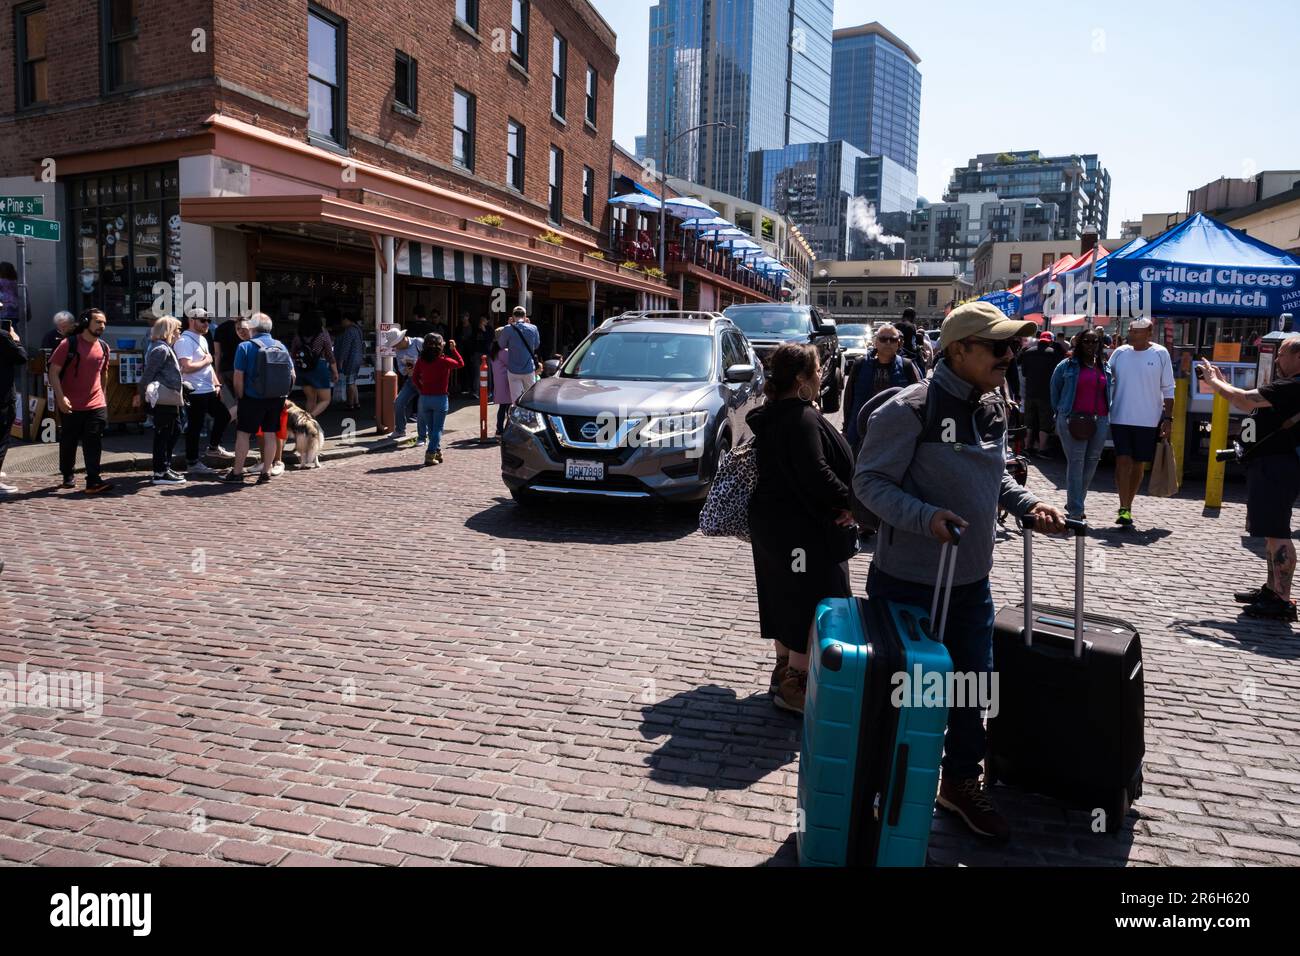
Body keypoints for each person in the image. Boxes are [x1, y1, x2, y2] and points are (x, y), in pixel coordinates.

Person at [855, 301, 1066, 841]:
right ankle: (884, 792)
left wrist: (1025, 504)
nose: (1009, 355)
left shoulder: (993, 406)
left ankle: (960, 782)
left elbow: (991, 479)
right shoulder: (907, 410)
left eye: (1012, 346)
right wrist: (926, 519)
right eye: (998, 346)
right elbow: (870, 484)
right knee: (905, 692)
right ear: (959, 350)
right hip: (907, 582)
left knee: (975, 686)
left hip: (972, 581)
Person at [747, 343, 857, 715]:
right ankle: (796, 682)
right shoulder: (800, 417)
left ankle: (783, 672)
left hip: (774, 524)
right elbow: (817, 475)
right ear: (801, 378)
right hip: (802, 528)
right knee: (811, 599)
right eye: (817, 368)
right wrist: (854, 504)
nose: (822, 373)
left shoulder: (775, 413)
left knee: (783, 594)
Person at [1199, 340, 1300, 622]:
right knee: (1271, 531)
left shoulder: (1292, 386)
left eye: (1282, 354)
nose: (1278, 360)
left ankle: (1281, 599)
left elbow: (1244, 400)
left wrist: (1214, 383)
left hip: (1277, 465)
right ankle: (1272, 591)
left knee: (1278, 533)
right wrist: (1221, 381)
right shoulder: (1289, 386)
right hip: (1273, 463)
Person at [1107, 317, 1175, 529]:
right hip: (1120, 416)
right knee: (1122, 461)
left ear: (1149, 333)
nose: (1133, 335)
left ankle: (1129, 504)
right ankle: (1123, 507)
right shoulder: (1120, 353)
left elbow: (1169, 388)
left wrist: (1168, 418)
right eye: (1132, 332)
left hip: (1148, 419)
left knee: (1138, 464)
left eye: (1138, 332)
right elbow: (1106, 380)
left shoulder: (1160, 353)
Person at [1051, 327, 1114, 521]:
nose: (1091, 345)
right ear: (1079, 343)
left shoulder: (1104, 366)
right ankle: (1076, 511)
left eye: (1095, 342)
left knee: (1092, 462)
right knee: (1077, 463)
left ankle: (1075, 501)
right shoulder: (1067, 365)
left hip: (1100, 420)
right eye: (1087, 341)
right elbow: (1055, 389)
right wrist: (1061, 413)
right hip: (1073, 418)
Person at [49, 309, 114, 494]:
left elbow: (104, 373)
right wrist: (60, 397)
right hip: (70, 404)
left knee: (93, 441)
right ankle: (68, 475)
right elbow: (53, 371)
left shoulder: (104, 347)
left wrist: (103, 397)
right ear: (85, 322)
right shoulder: (68, 344)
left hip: (96, 404)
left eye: (104, 323)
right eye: (98, 322)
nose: (102, 326)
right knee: (69, 441)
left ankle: (93, 480)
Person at [225, 313, 294, 485]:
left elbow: (238, 376)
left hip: (251, 397)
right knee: (271, 434)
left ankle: (237, 472)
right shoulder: (280, 346)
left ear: (252, 328)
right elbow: (292, 375)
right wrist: (284, 394)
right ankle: (266, 472)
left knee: (243, 434)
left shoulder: (245, 347)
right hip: (276, 397)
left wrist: (240, 397)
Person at [842, 323, 922, 452]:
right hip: (861, 430)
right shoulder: (860, 364)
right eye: (883, 339)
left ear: (899, 343)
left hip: (896, 432)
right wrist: (846, 427)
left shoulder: (907, 366)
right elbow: (849, 398)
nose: (888, 342)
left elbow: (920, 397)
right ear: (875, 342)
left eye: (893, 339)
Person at [174, 308, 232, 474]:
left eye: (208, 320)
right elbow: (186, 367)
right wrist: (207, 360)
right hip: (194, 390)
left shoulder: (203, 339)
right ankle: (192, 463)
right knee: (195, 426)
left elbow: (209, 364)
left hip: (208, 388)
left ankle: (213, 447)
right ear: (192, 320)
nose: (207, 323)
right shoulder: (184, 341)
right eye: (203, 320)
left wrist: (216, 383)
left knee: (224, 415)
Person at [135, 315, 187, 485]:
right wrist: (140, 396)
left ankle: (165, 466)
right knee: (163, 434)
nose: (180, 332)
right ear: (169, 330)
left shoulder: (164, 347)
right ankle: (160, 472)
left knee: (175, 430)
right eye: (177, 329)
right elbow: (148, 375)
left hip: (170, 399)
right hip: (164, 399)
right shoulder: (161, 349)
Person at [411, 334, 464, 466]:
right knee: (437, 430)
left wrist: (421, 389)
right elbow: (460, 363)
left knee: (431, 429)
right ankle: (430, 454)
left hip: (424, 398)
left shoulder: (421, 360)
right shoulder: (444, 360)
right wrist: (454, 349)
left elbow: (414, 378)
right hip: (440, 398)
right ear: (440, 346)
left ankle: (437, 452)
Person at [1017, 331, 1069, 457]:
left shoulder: (1028, 352)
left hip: (1030, 392)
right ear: (1051, 340)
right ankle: (1042, 449)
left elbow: (1023, 373)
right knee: (1044, 423)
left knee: (1028, 421)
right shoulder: (1054, 354)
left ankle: (1027, 447)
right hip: (1046, 393)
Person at [383, 328, 426, 447]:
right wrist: (407, 370)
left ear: (402, 339)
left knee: (421, 408)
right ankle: (400, 430)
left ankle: (422, 436)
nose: (395, 347)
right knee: (398, 402)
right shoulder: (398, 351)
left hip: (424, 381)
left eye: (395, 344)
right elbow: (402, 371)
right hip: (411, 380)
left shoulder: (418, 343)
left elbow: (432, 358)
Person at [0, 315, 28, 495]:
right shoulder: (3, 336)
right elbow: (21, 357)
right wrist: (16, 340)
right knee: (1, 439)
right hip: (1, 397)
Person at [290, 312, 338, 418]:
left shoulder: (298, 334)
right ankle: (308, 418)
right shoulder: (323, 333)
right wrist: (335, 371)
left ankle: (308, 427)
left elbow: (293, 353)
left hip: (302, 369)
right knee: (326, 399)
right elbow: (330, 355)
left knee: (310, 399)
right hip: (318, 368)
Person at [498, 306, 542, 403]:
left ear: (513, 317)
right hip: (528, 369)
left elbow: (501, 345)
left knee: (516, 400)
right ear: (525, 316)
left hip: (513, 369)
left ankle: (518, 416)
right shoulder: (533, 328)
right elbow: (537, 345)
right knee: (531, 398)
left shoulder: (508, 329)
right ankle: (530, 417)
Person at [212, 314, 247, 414]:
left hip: (225, 369)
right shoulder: (246, 328)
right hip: (240, 370)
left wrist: (217, 372)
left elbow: (217, 353)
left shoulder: (220, 328)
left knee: (233, 402)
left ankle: (235, 423)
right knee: (243, 401)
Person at [333, 315, 364, 410]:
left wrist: (341, 360)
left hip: (351, 359)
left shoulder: (349, 330)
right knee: (353, 382)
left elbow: (345, 347)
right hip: (358, 358)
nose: (342, 323)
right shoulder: (358, 329)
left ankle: (350, 404)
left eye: (343, 320)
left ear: (347, 319)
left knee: (349, 383)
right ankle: (356, 403)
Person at [490, 340, 511, 438]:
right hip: (506, 381)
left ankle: (499, 429)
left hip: (499, 382)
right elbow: (511, 364)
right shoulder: (504, 352)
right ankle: (508, 429)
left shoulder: (494, 353)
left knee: (502, 407)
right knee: (509, 408)